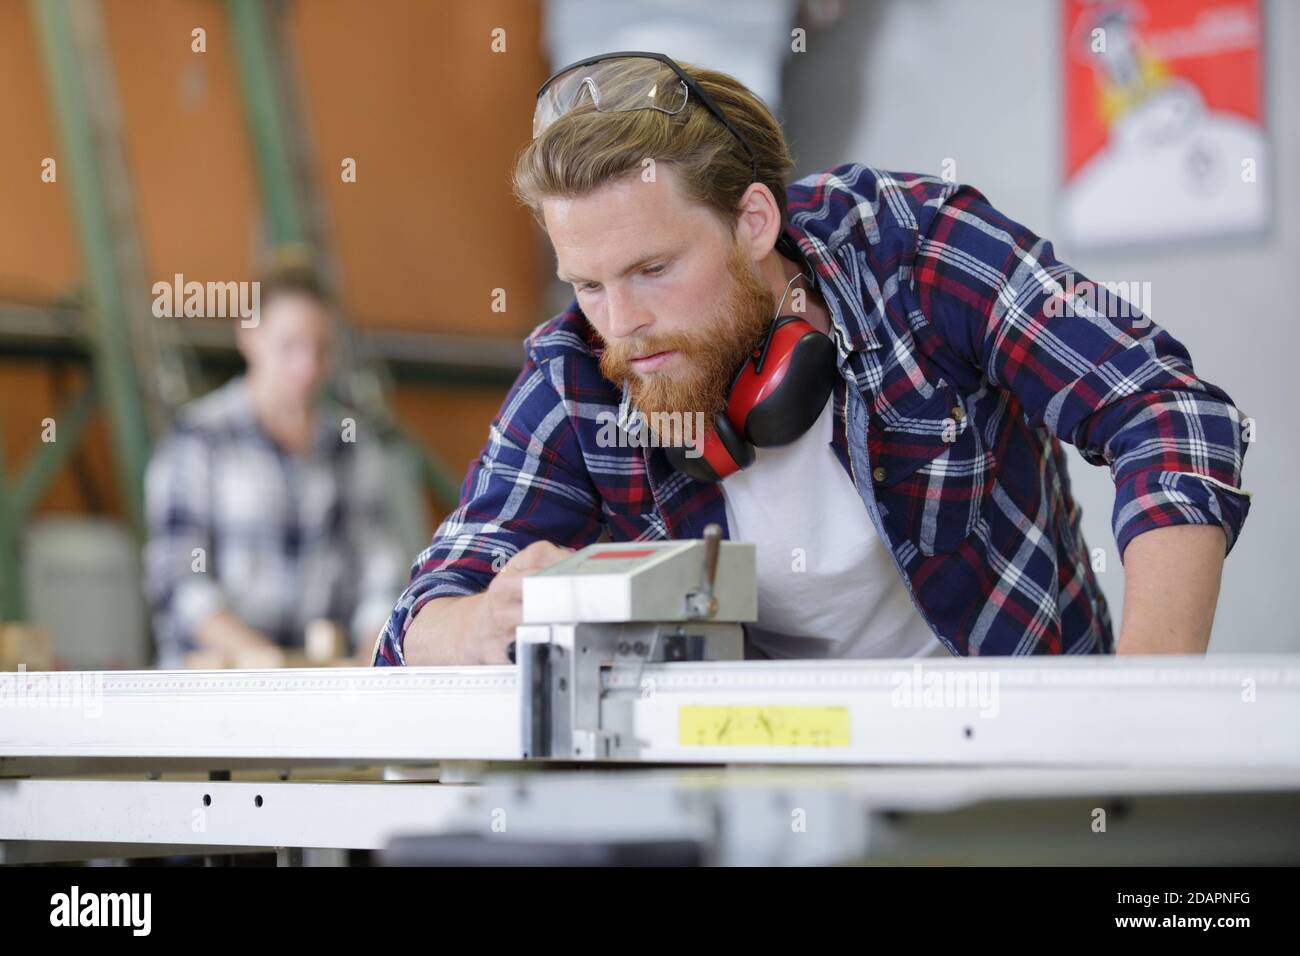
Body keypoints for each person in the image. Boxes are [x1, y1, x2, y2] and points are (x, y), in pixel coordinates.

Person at [375, 53, 1251, 666]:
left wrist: (1145, 697)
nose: (623, 324)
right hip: (775, 790)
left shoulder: (914, 248)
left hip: (1023, 744)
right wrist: (484, 619)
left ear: (755, 221)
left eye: (652, 269)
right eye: (589, 284)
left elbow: (1166, 412)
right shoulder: (579, 366)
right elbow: (419, 619)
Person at [145, 264, 404, 668]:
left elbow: (379, 572)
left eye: (321, 349)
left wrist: (371, 655)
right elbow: (177, 579)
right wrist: (259, 657)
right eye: (289, 346)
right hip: (215, 684)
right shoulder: (198, 440)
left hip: (323, 684)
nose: (308, 366)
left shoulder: (351, 446)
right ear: (249, 336)